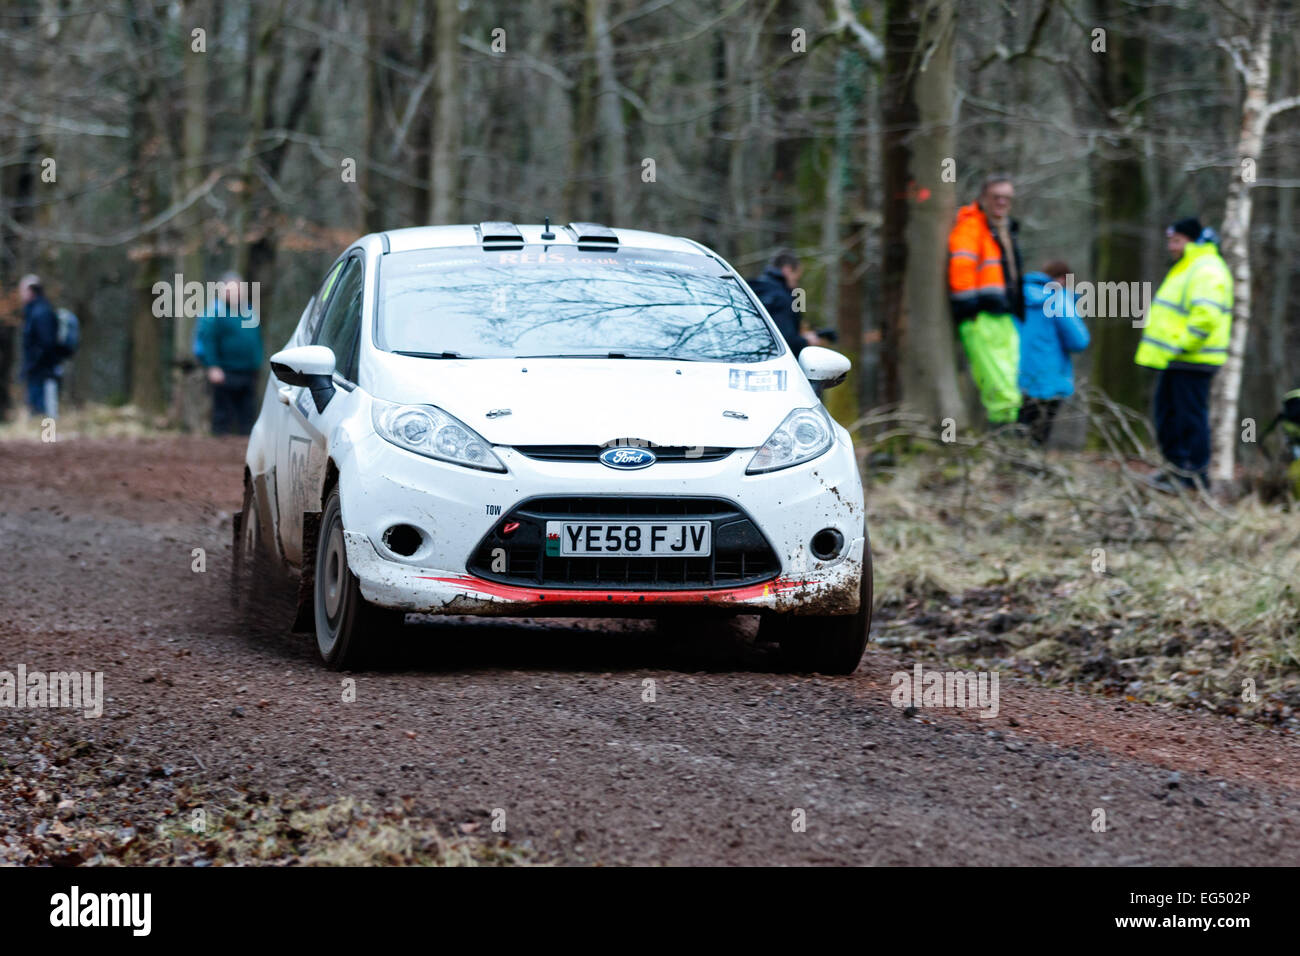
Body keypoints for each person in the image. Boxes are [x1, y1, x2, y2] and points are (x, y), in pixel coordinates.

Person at [1135, 217, 1232, 490]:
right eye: (1169, 240)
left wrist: (1182, 343)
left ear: (1191, 240)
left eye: (1176, 240)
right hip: (1178, 359)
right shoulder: (1189, 267)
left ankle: (1192, 476)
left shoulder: (1206, 269)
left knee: (1189, 418)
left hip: (1193, 360)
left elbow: (1206, 316)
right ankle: (1176, 469)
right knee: (1167, 415)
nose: (1171, 246)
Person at [948, 174, 1024, 425]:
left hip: (1004, 316)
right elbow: (961, 269)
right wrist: (969, 310)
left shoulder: (1003, 230)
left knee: (1009, 377)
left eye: (1007, 198)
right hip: (981, 317)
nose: (1002, 203)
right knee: (996, 381)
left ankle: (1007, 435)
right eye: (996, 197)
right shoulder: (972, 228)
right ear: (983, 199)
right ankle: (1003, 435)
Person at [1017, 260, 1090, 445]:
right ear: (1062, 279)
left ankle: (1016, 466)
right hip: (1048, 378)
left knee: (1020, 430)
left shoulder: (1016, 295)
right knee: (1039, 433)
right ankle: (1032, 469)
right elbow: (1079, 340)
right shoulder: (1056, 299)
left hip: (1018, 376)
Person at [196, 271, 263, 436]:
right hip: (224, 372)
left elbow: (254, 339)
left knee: (247, 416)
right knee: (222, 416)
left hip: (248, 372)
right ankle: (218, 452)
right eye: (231, 289)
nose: (235, 293)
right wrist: (212, 366)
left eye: (238, 289)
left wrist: (257, 362)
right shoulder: (214, 313)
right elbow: (206, 340)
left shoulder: (248, 311)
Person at [748, 251, 819, 356]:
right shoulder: (781, 297)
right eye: (796, 277)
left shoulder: (750, 289)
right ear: (787, 270)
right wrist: (805, 341)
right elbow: (785, 341)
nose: (796, 283)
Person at [19, 274, 61, 418]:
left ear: (31, 291)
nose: (20, 294)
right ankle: (41, 438)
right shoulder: (34, 311)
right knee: (37, 410)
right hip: (37, 369)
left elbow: (47, 343)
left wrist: (35, 362)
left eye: (22, 290)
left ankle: (48, 439)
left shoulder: (42, 312)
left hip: (44, 370)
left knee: (46, 413)